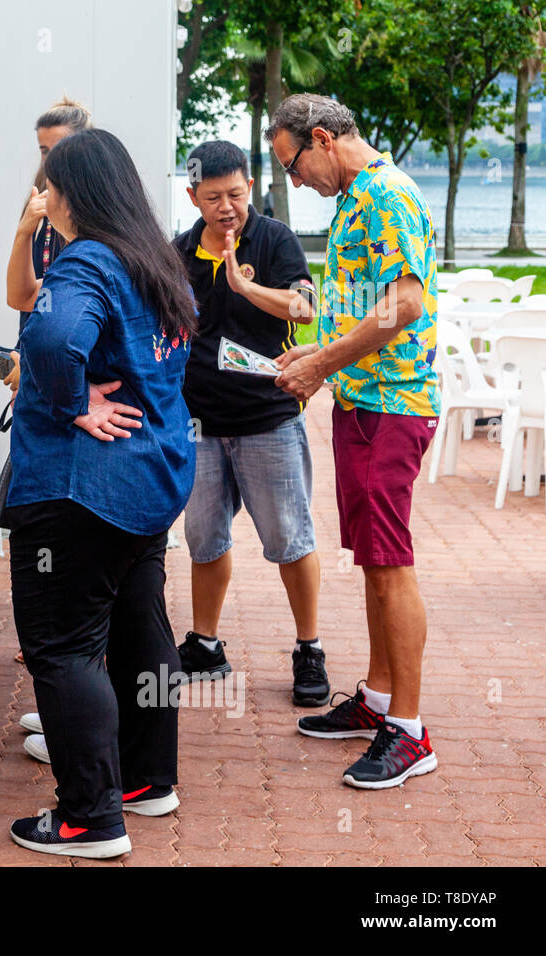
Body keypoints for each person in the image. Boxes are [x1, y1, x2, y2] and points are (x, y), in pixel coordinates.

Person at [1, 128, 197, 858]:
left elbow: (51, 342)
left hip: (79, 487)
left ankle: (89, 817)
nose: (41, 198)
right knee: (141, 627)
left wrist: (71, 398)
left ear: (74, 193)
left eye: (48, 186)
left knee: (63, 649)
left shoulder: (84, 261)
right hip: (148, 481)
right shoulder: (153, 258)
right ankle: (148, 780)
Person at [268, 93, 441, 789]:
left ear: (322, 139)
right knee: (373, 558)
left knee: (391, 563)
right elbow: (368, 309)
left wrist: (319, 363)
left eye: (294, 165)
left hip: (391, 407)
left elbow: (403, 304)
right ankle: (375, 700)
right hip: (365, 402)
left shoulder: (385, 194)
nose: (295, 181)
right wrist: (310, 352)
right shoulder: (361, 197)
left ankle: (410, 730)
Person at [171, 140, 327, 707]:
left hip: (269, 418)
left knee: (289, 538)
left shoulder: (275, 239)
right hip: (199, 424)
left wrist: (244, 286)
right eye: (212, 197)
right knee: (203, 537)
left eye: (235, 194)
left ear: (250, 189)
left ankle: (309, 648)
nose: (226, 206)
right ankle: (206, 645)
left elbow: (304, 309)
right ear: (193, 196)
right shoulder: (179, 251)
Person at [3, 97, 92, 669]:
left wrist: (77, 393)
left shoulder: (103, 214)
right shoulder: (41, 208)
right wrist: (24, 228)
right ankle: (55, 649)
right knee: (29, 519)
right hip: (42, 388)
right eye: (42, 150)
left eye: (58, 148)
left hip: (81, 400)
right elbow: (21, 297)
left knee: (73, 533)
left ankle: (69, 658)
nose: (49, 160)